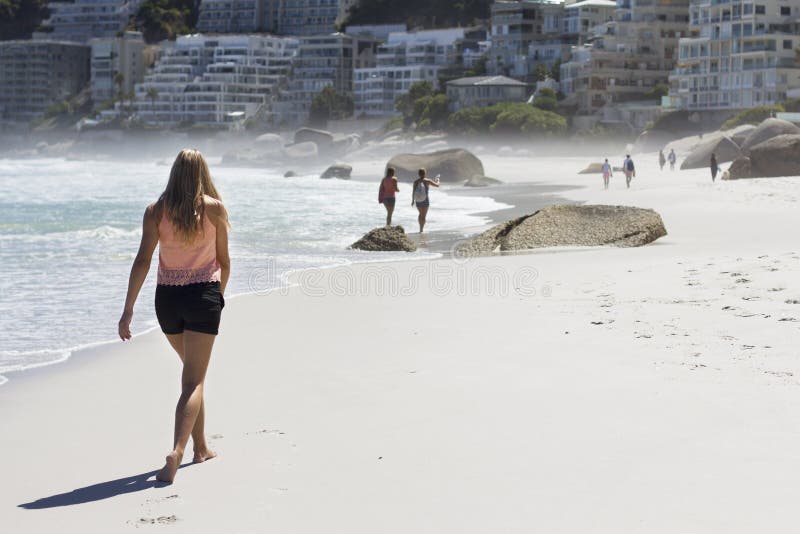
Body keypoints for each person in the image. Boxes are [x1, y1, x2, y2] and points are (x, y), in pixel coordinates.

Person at [118, 149, 230, 484]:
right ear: (202, 173)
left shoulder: (155, 212)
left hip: (166, 301)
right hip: (202, 297)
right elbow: (224, 262)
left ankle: (201, 448)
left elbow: (142, 262)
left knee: (192, 376)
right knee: (193, 380)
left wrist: (127, 310)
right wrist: (217, 299)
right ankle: (177, 453)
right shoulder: (214, 209)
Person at [411, 168, 440, 233]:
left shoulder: (415, 182)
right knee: (423, 215)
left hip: (418, 200)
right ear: (425, 173)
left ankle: (420, 228)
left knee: (421, 214)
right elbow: (437, 185)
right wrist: (438, 180)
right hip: (425, 200)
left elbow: (413, 192)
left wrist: (413, 200)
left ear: (418, 174)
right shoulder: (427, 181)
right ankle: (421, 230)